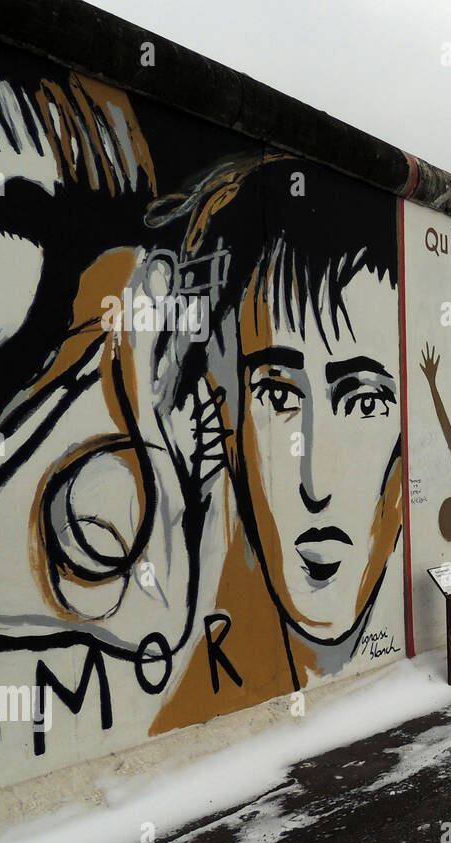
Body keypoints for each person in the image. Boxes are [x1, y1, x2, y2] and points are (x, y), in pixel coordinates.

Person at [147, 155, 404, 730]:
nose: (316, 483)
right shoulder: (185, 705)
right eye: (281, 396)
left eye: (364, 403)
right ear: (225, 413)